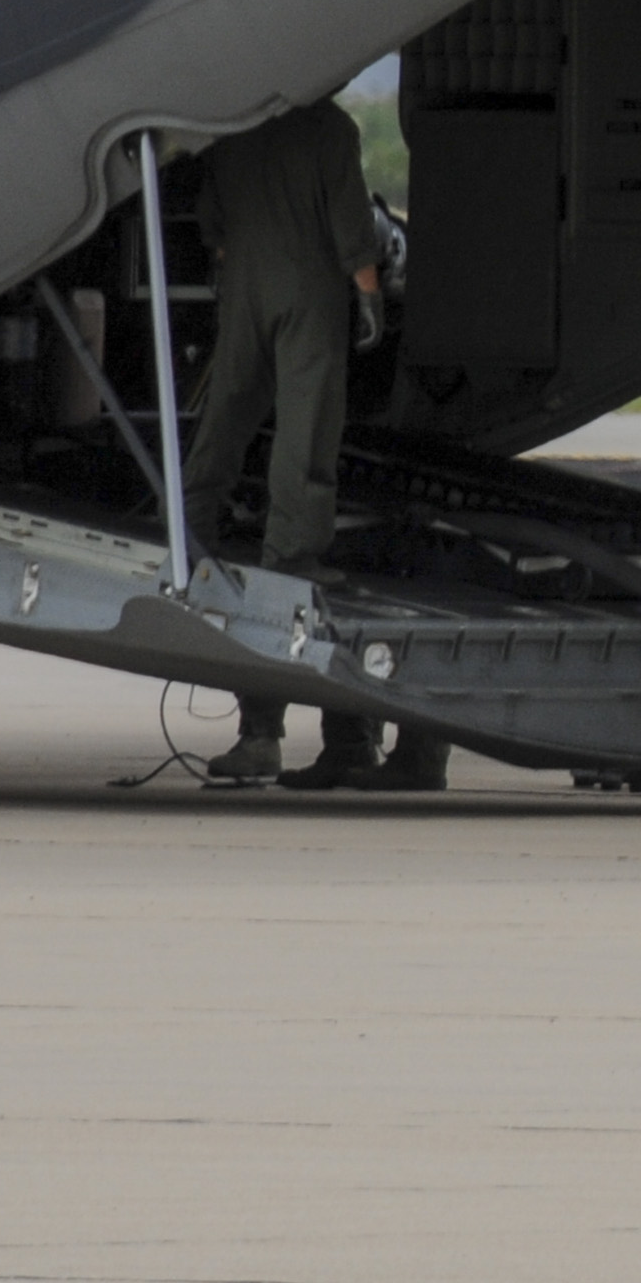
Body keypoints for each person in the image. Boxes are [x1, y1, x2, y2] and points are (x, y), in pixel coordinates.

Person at [174, 102, 428, 791]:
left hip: (245, 280)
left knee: (228, 408)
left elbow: (211, 221)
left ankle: (190, 519)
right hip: (309, 285)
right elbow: (351, 223)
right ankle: (292, 551)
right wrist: (369, 293)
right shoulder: (330, 130)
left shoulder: (237, 120)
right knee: (306, 425)